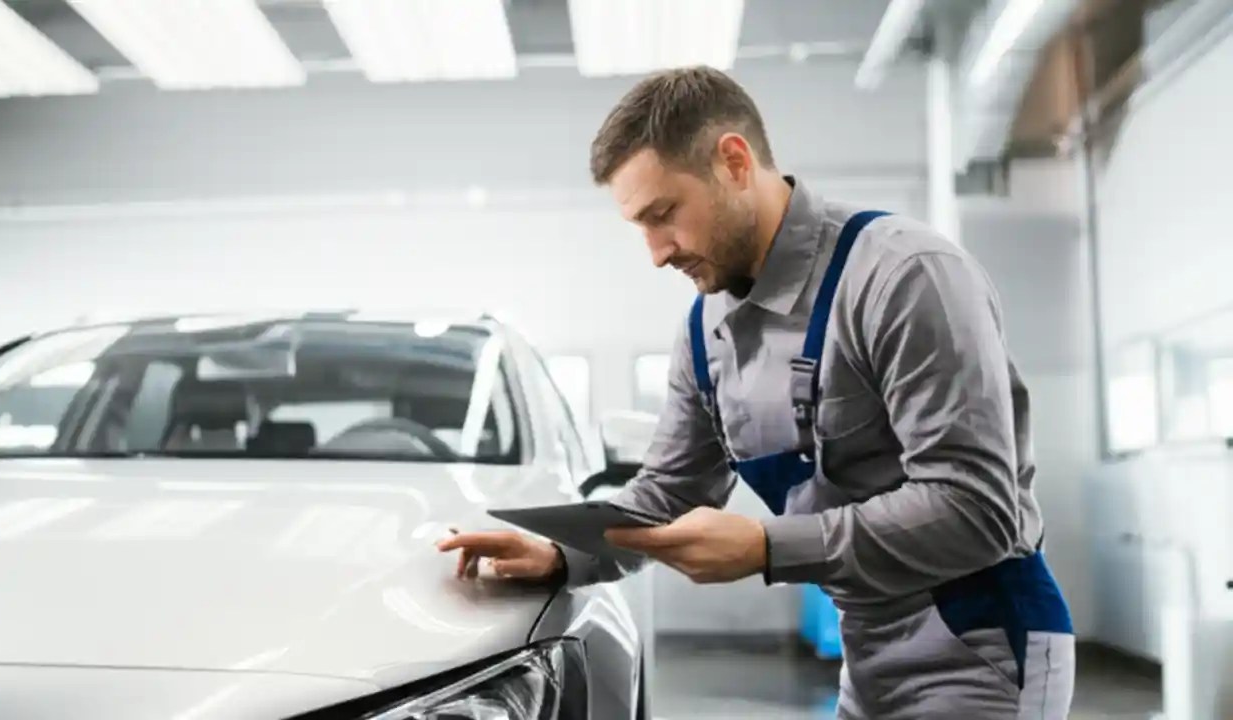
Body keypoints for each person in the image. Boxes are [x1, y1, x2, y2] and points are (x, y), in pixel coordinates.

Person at [437, 66, 1075, 719]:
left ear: (734, 162)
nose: (657, 253)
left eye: (664, 214)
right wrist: (560, 554)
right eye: (641, 228)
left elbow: (977, 508)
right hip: (868, 651)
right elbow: (668, 494)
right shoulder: (704, 330)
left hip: (983, 641)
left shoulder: (903, 276)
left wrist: (768, 547)